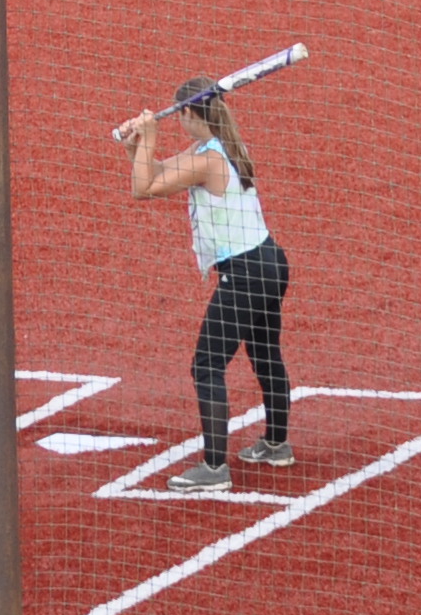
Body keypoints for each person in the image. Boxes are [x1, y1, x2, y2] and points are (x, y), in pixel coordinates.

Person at [119, 81, 292, 492]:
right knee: (265, 354)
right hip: (271, 263)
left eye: (180, 115)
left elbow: (142, 189)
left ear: (190, 115)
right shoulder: (219, 147)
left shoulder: (208, 160)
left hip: (245, 273)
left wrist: (151, 137)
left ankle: (215, 468)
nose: (177, 121)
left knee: (206, 365)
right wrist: (137, 147)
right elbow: (157, 172)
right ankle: (276, 443)